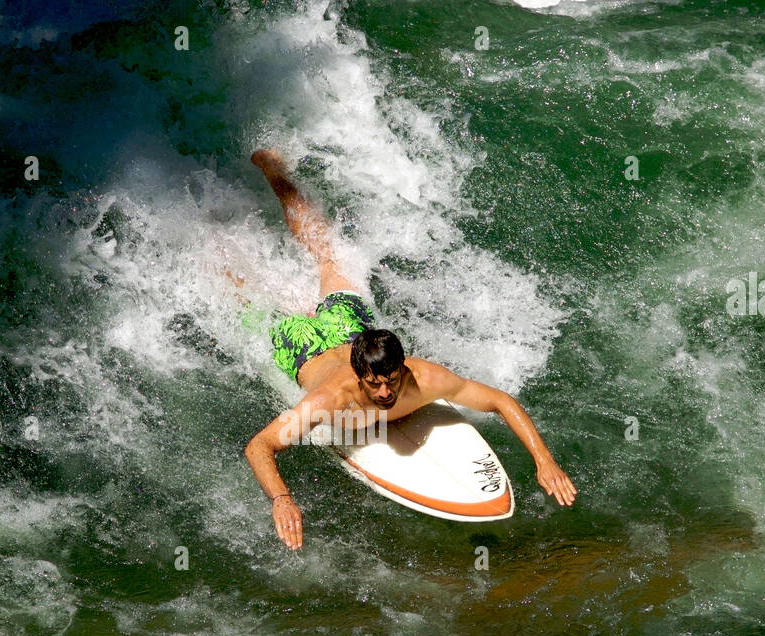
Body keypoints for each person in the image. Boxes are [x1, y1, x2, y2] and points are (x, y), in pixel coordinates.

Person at [244, 149, 577, 550]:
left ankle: (275, 172)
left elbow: (501, 401)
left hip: (350, 329)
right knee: (249, 295)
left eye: (391, 382)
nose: (385, 393)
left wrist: (543, 459)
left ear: (402, 368)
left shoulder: (426, 378)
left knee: (328, 254)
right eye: (374, 386)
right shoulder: (328, 401)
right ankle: (211, 230)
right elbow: (260, 445)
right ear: (359, 378)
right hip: (305, 346)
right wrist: (282, 499)